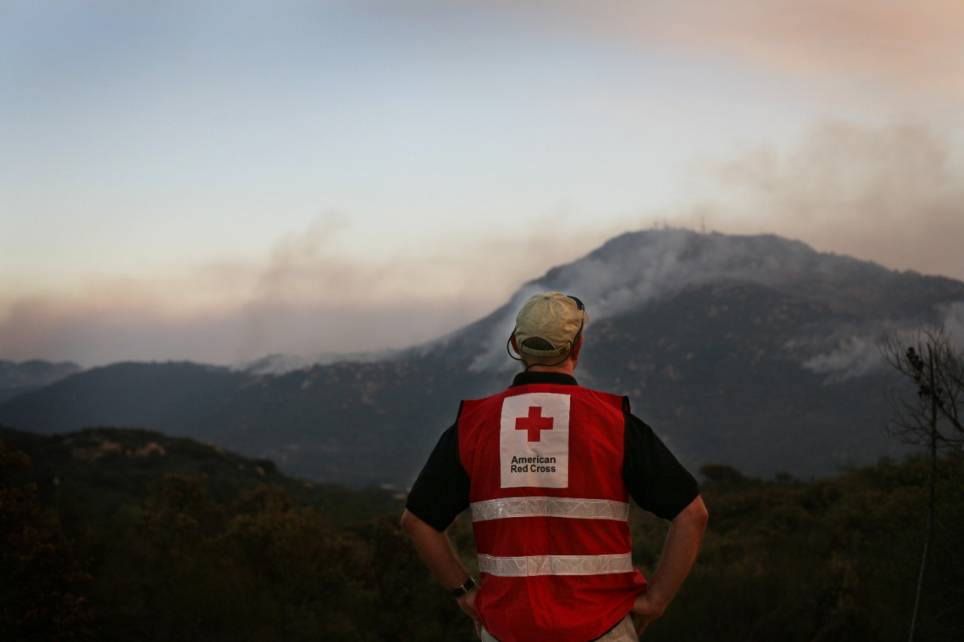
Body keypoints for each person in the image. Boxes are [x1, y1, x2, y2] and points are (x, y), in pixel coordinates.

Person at [400, 292, 708, 641]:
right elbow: (692, 515)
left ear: (516, 345)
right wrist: (656, 600)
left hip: (506, 628)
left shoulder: (474, 426)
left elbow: (417, 521)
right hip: (604, 626)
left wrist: (464, 592)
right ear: (577, 347)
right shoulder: (615, 424)